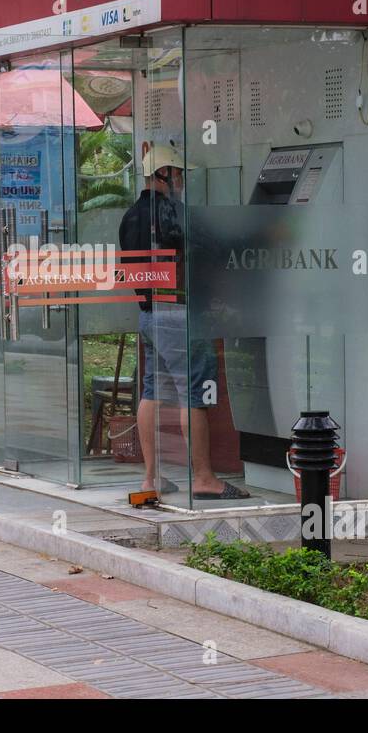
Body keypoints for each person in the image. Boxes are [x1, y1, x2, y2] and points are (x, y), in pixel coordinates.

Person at [118, 144, 251, 501]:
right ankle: (204, 478)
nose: (182, 181)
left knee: (151, 391)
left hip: (148, 316)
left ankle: (151, 478)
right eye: (178, 173)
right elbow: (214, 250)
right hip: (181, 314)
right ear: (164, 173)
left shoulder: (130, 216)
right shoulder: (173, 213)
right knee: (194, 394)